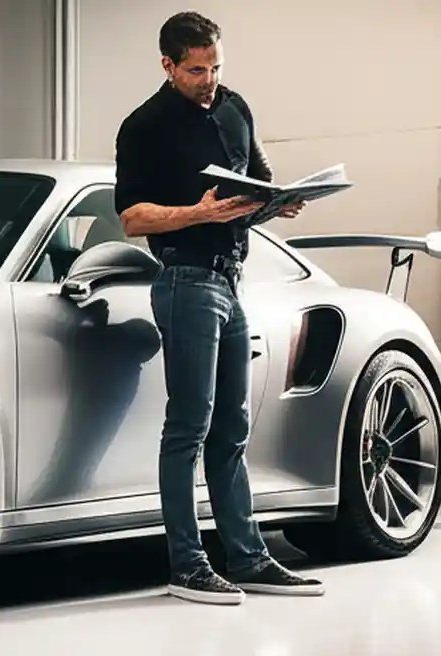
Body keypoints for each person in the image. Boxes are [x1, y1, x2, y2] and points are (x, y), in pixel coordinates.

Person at [113, 11, 325, 604]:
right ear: (168, 65)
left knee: (233, 427)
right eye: (196, 69)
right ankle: (187, 564)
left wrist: (276, 203)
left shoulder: (235, 107)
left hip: (233, 284)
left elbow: (257, 183)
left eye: (216, 66)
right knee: (189, 425)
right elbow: (131, 217)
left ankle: (251, 559)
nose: (208, 79)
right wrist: (198, 213)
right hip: (184, 279)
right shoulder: (145, 126)